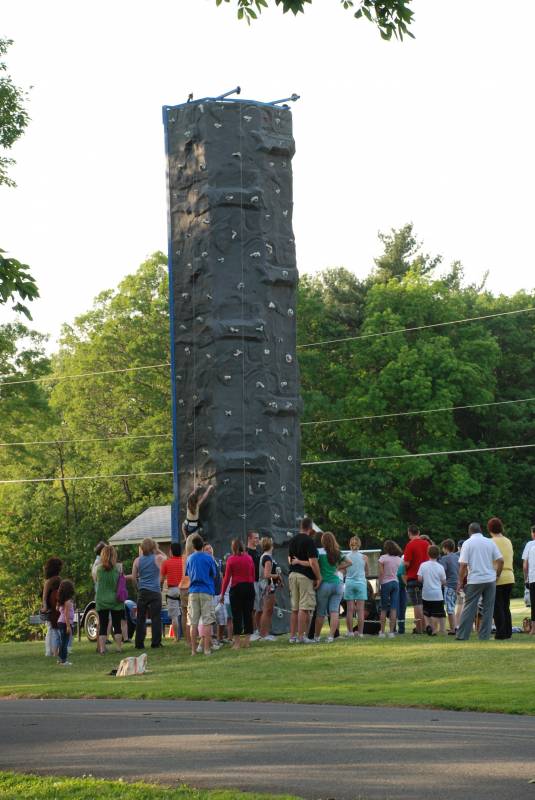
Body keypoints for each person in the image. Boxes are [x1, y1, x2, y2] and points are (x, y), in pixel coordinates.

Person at [456, 522, 504, 641]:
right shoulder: (490, 542)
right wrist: (497, 574)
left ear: (469, 531)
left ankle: (462, 635)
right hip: (490, 579)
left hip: (475, 580)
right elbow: (501, 560)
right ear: (481, 530)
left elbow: (463, 565)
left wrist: (460, 582)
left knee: (469, 608)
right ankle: (484, 636)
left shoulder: (467, 543)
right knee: (488, 609)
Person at [309, 532, 350, 643]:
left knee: (320, 612)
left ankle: (317, 637)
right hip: (338, 584)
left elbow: (314, 565)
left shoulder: (319, 552)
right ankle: (331, 636)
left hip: (324, 585)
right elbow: (349, 562)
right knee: (334, 612)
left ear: (323, 541)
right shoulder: (338, 553)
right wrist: (338, 567)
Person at [288, 517, 321, 644]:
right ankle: (301, 637)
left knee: (294, 608)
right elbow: (313, 562)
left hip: (292, 575)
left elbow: (289, 560)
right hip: (305, 577)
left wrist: (297, 562)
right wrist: (318, 577)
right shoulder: (309, 541)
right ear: (310, 527)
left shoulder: (292, 540)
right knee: (304, 607)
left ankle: (292, 637)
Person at [220, 538, 255, 650]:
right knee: (248, 614)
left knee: (237, 616)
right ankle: (247, 641)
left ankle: (237, 643)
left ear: (233, 547)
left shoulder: (231, 559)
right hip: (249, 587)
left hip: (236, 588)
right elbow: (253, 574)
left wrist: (222, 593)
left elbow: (226, 578)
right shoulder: (249, 558)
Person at [186, 534, 218, 656]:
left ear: (193, 546)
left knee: (193, 623)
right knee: (207, 621)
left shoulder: (189, 558)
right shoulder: (209, 558)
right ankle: (206, 650)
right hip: (206, 591)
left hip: (193, 591)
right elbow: (213, 574)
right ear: (202, 545)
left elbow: (188, 574)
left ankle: (193, 651)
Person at [132, 538, 166, 650]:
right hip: (155, 592)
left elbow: (133, 577)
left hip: (142, 591)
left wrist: (138, 588)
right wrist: (158, 550)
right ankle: (155, 643)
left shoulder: (137, 561)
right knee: (156, 618)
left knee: (141, 618)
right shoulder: (158, 558)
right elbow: (166, 559)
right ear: (153, 547)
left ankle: (139, 643)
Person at [487, 517, 514, 640]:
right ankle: (508, 631)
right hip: (509, 576)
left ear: (489, 529)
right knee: (505, 606)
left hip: (497, 576)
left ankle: (501, 633)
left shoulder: (490, 542)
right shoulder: (508, 541)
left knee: (497, 607)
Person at [95, 545, 125, 655]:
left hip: (101, 599)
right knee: (117, 625)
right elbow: (122, 583)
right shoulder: (118, 568)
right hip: (115, 600)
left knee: (103, 624)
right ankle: (118, 648)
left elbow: (96, 580)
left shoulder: (98, 569)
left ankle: (102, 649)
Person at [403, 525, 429, 634]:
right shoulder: (427, 544)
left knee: (417, 604)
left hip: (413, 578)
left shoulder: (409, 545)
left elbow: (407, 563)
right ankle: (424, 626)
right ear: (418, 532)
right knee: (423, 603)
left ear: (409, 533)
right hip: (426, 578)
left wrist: (404, 567)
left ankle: (419, 629)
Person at [418, 545, 447, 635]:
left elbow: (419, 578)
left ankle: (428, 625)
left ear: (428, 554)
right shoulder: (440, 567)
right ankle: (434, 630)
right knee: (436, 613)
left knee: (426, 612)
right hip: (437, 594)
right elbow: (444, 581)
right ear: (438, 554)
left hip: (426, 593)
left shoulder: (423, 565)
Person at [343, 536, 368, 638]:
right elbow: (367, 572)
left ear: (350, 544)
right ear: (359, 544)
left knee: (349, 610)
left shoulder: (346, 556)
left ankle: (350, 632)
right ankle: (361, 633)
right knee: (360, 610)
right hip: (361, 583)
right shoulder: (365, 557)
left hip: (349, 583)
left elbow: (344, 571)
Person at [160, 542, 184, 643]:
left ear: (171, 551)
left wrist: (160, 588)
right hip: (183, 589)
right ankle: (187, 636)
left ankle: (176, 638)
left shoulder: (166, 563)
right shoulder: (184, 561)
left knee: (174, 616)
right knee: (186, 614)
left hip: (172, 590)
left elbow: (161, 579)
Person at [378, 540, 402, 638]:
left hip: (385, 583)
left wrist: (379, 584)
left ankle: (382, 632)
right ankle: (391, 632)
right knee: (393, 608)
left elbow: (381, 573)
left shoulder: (382, 558)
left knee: (383, 608)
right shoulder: (399, 559)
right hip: (395, 583)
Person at [259, 536, 281, 641]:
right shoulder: (267, 558)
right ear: (270, 545)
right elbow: (267, 574)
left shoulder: (267, 556)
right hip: (267, 587)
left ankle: (266, 633)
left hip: (270, 586)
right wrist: (277, 576)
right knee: (267, 610)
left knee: (269, 610)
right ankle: (263, 634)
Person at [40, 557, 63, 657]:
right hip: (53, 607)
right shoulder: (55, 579)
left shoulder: (48, 580)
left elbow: (44, 596)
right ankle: (51, 651)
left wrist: (44, 606)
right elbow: (44, 596)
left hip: (51, 606)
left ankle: (49, 651)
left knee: (51, 628)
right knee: (53, 629)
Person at [439, 539, 460, 634]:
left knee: (450, 608)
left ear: (445, 548)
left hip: (449, 585)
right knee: (455, 606)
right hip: (458, 585)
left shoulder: (445, 559)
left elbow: (442, 572)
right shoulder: (457, 557)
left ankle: (453, 628)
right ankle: (455, 626)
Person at [246, 530, 262, 641]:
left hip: (259, 582)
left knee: (258, 608)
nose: (257, 540)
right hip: (251, 583)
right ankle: (252, 631)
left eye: (258, 538)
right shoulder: (247, 553)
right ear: (249, 539)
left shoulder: (257, 552)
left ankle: (257, 630)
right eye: (255, 538)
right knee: (252, 609)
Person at [56, 579, 75, 667]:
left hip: (61, 622)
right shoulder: (67, 602)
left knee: (62, 642)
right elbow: (66, 615)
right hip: (65, 623)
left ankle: (60, 659)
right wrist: (68, 626)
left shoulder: (62, 601)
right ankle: (64, 660)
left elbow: (58, 609)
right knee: (65, 642)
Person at [523, 529, 535, 635]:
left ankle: (533, 629)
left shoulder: (530, 546)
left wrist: (525, 578)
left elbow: (525, 565)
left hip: (533, 579)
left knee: (534, 605)